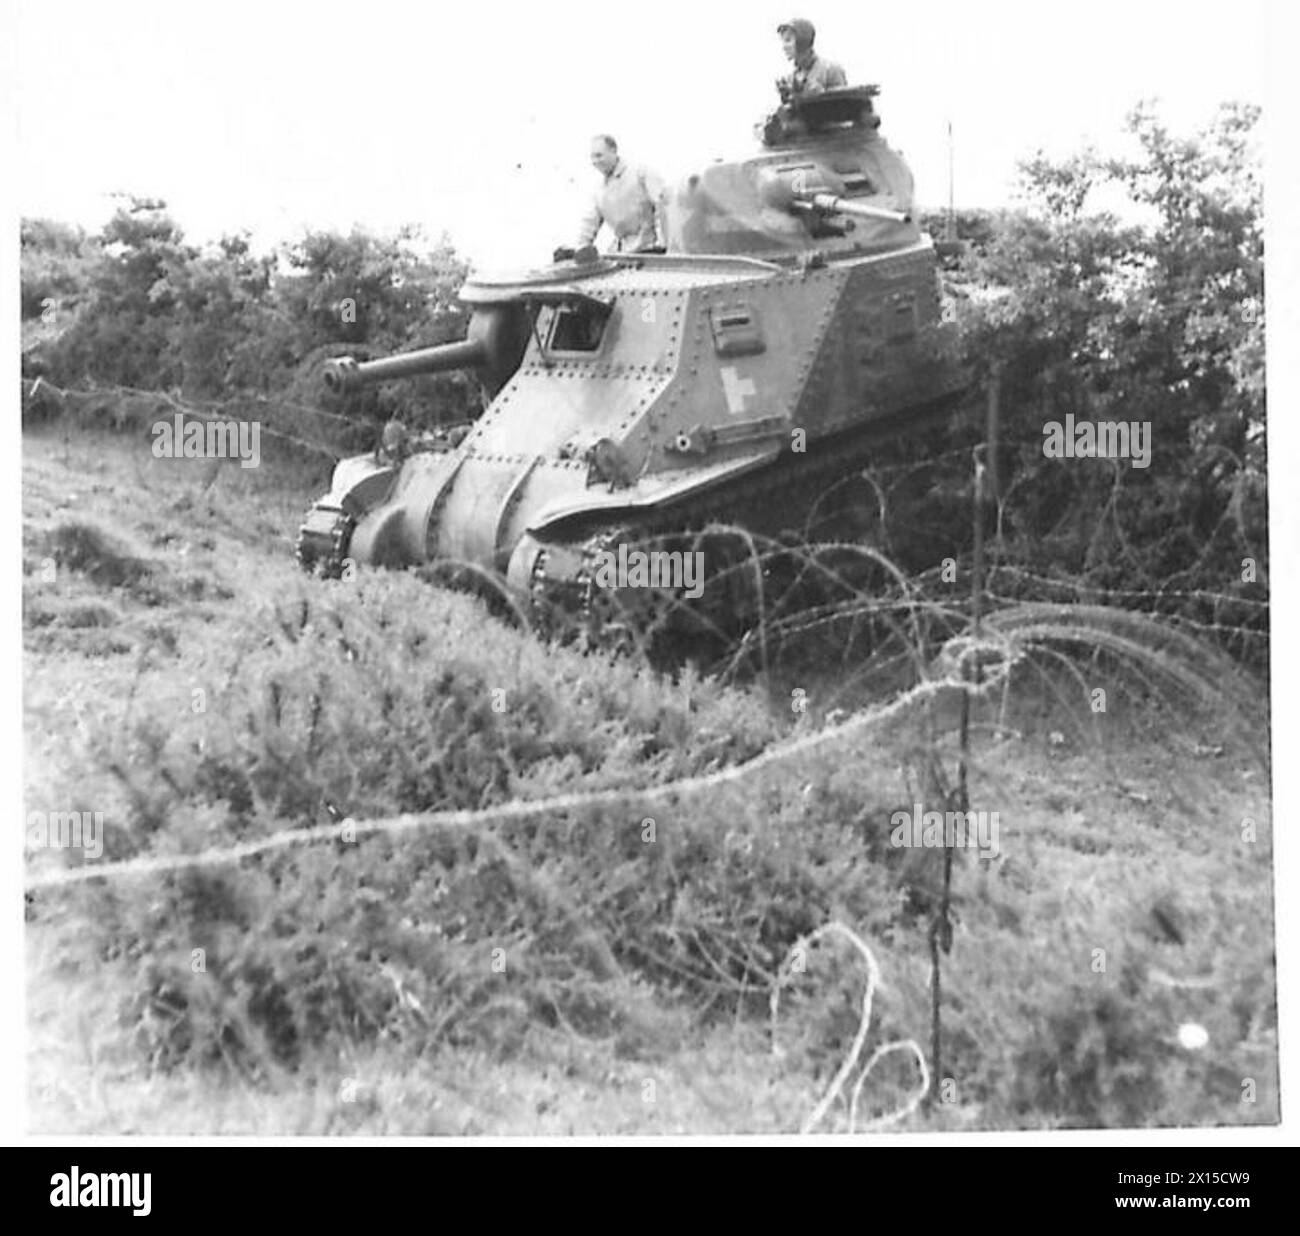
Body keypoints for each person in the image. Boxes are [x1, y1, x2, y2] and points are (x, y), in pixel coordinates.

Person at [555, 135, 666, 261]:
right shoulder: (599, 190)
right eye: (592, 157)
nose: (595, 161)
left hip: (651, 251)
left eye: (599, 155)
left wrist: (662, 244)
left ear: (613, 151)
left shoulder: (641, 173)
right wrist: (579, 249)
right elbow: (589, 223)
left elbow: (663, 206)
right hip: (622, 254)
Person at [776, 18, 846, 101]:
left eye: (788, 40)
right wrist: (787, 98)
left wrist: (818, 95)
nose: (784, 47)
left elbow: (844, 106)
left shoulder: (830, 70)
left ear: (802, 40)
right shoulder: (791, 79)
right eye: (783, 41)